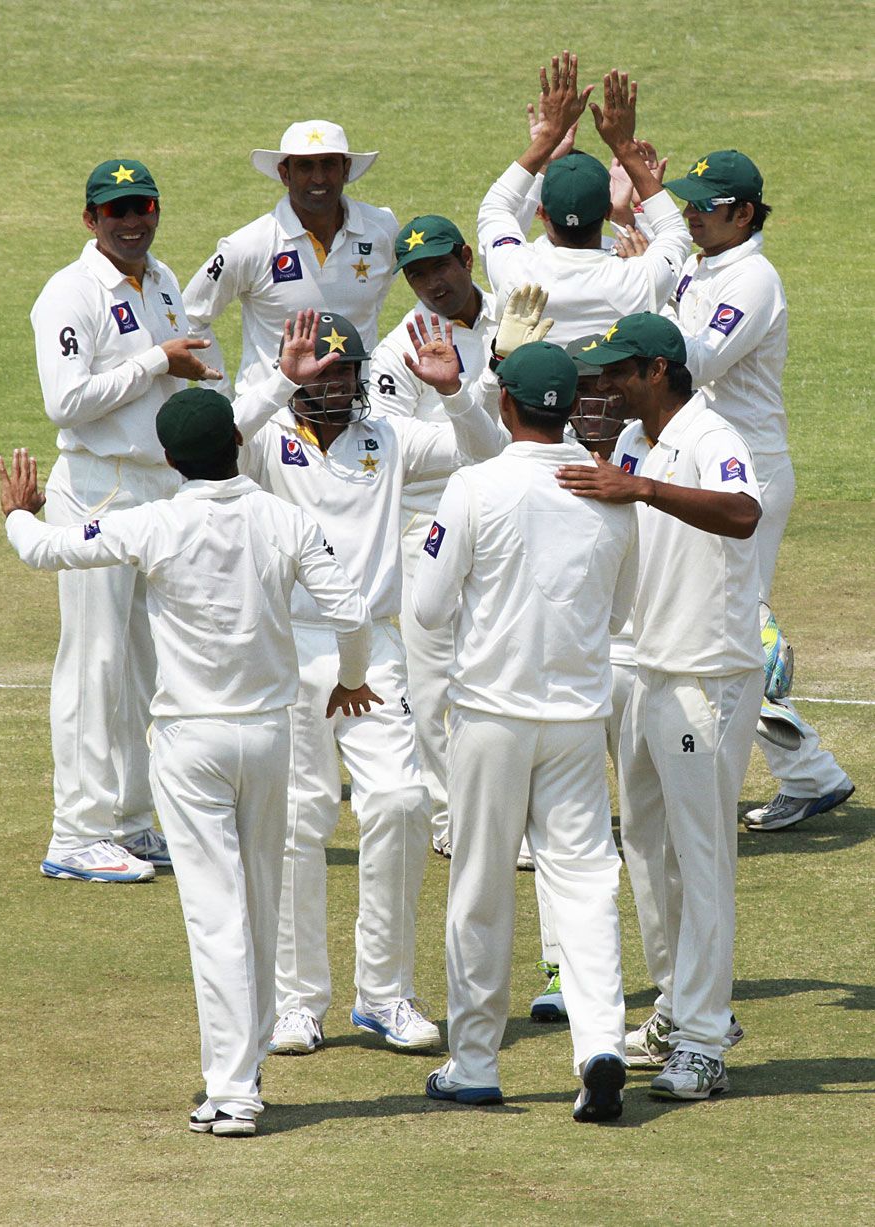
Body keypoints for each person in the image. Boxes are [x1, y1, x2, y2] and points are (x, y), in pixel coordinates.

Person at [0, 389, 373, 1137]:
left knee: (216, 912)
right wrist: (352, 678)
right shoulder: (285, 516)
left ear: (169, 459)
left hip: (191, 741)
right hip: (269, 736)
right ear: (236, 443)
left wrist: (18, 509)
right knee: (259, 899)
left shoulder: (157, 520)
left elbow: (45, 549)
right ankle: (248, 1056)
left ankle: (233, 1090)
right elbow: (353, 612)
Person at [231, 309, 501, 1056]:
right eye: (323, 374)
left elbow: (485, 455)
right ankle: (295, 1000)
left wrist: (454, 393)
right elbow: (210, 440)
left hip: (377, 649)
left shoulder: (384, 435)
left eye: (346, 374)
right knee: (297, 820)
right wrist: (279, 379)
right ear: (299, 377)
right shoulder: (265, 441)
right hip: (287, 648)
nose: (338, 386)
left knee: (404, 800)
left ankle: (384, 994)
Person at [412, 341, 638, 1122]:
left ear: (505, 404)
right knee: (582, 882)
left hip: (490, 716)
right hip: (577, 715)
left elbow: (429, 609)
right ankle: (600, 1042)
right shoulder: (612, 492)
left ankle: (475, 1061)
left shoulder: (475, 484)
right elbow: (618, 613)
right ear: (569, 407)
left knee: (479, 885)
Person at [557, 312, 765, 1100]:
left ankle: (708, 1039)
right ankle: (679, 1008)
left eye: (617, 371)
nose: (605, 385)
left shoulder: (713, 433)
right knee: (646, 847)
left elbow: (742, 513)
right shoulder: (643, 441)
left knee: (701, 854)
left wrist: (638, 485)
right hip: (649, 666)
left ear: (656, 370)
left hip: (706, 676)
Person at [30, 157, 222, 883]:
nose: (133, 220)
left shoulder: (164, 280)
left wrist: (191, 379)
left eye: (143, 205)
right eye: (117, 210)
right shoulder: (68, 294)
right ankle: (75, 831)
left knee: (148, 664)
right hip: (99, 491)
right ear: (91, 220)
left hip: (160, 490)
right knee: (95, 662)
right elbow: (65, 402)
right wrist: (153, 363)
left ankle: (131, 821)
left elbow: (176, 364)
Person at [663, 151, 853, 830]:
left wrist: (645, 310)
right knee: (720, 623)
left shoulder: (753, 279)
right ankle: (811, 773)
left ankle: (802, 771)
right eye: (686, 203)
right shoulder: (705, 263)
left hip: (750, 477)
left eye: (703, 207)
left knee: (729, 630)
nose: (690, 215)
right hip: (711, 466)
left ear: (743, 214)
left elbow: (700, 359)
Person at [368, 214, 501, 855]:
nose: (432, 283)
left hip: (511, 518)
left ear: (467, 259)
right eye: (417, 274)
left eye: (440, 266)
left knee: (503, 670)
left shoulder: (517, 315)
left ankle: (506, 813)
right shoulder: (400, 348)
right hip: (428, 526)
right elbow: (397, 448)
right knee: (432, 682)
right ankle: (452, 821)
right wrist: (480, 423)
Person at [530, 335, 633, 1024]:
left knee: (649, 837)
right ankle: (562, 968)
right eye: (583, 390)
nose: (595, 403)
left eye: (605, 388)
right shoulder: (549, 466)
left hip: (647, 662)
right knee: (560, 833)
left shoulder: (652, 452)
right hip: (573, 672)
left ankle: (679, 986)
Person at [478, 57, 690, 344]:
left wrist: (549, 137)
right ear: (606, 211)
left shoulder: (515, 270)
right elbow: (674, 231)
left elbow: (496, 206)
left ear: (542, 212)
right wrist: (624, 148)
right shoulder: (637, 280)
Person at [182, 120, 399, 400]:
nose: (319, 178)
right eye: (306, 167)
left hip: (356, 411)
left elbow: (376, 299)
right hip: (273, 424)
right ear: (285, 174)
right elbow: (190, 316)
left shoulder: (383, 229)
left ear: (346, 170)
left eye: (328, 165)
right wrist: (219, 395)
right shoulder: (247, 245)